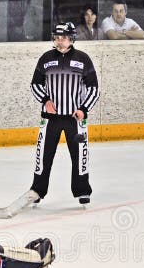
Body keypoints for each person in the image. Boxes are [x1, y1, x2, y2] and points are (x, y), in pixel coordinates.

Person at [29, 22, 100, 205]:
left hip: (74, 119)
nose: (60, 41)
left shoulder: (83, 59)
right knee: (43, 156)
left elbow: (93, 88)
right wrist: (45, 101)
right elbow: (35, 84)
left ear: (72, 39)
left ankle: (82, 190)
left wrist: (83, 109)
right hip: (50, 118)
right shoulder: (45, 58)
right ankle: (37, 190)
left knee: (80, 156)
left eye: (64, 38)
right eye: (57, 38)